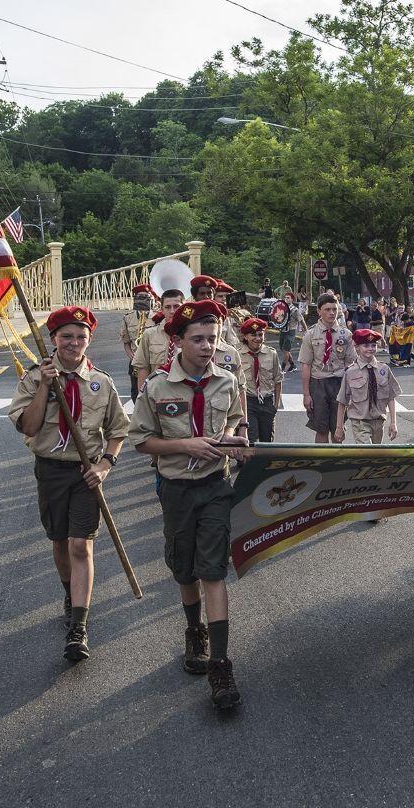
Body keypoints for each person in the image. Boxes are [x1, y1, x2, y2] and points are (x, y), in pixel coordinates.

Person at [127, 299, 250, 710]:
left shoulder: (227, 382)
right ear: (177, 340)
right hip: (177, 489)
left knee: (212, 570)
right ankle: (193, 631)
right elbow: (142, 440)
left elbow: (232, 419)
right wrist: (186, 444)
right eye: (198, 339)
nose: (207, 347)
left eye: (213, 339)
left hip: (215, 485)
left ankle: (220, 663)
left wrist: (231, 440)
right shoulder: (156, 388)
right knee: (184, 567)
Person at [7, 306, 130, 661]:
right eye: (66, 337)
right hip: (50, 470)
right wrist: (46, 385)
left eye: (81, 336)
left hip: (85, 473)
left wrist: (105, 466)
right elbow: (29, 427)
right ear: (53, 340)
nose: (74, 343)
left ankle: (79, 626)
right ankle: (68, 591)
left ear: (89, 339)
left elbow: (118, 431)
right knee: (60, 543)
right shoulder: (34, 378)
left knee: (81, 545)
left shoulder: (101, 382)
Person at [299, 293, 357, 443]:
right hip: (318, 383)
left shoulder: (346, 335)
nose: (332, 313)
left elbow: (351, 364)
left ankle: (335, 463)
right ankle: (320, 462)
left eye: (334, 309)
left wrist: (351, 389)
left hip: (340, 382)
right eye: (327, 309)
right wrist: (306, 394)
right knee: (321, 429)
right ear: (319, 311)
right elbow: (306, 365)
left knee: (338, 430)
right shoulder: (310, 335)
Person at [334, 329, 401, 444]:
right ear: (357, 347)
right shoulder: (350, 372)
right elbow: (342, 401)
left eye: (373, 345)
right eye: (366, 345)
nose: (370, 348)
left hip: (378, 421)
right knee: (366, 450)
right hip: (359, 421)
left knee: (375, 454)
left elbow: (391, 397)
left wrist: (393, 423)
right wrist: (339, 427)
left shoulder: (384, 369)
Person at [239, 317, 283, 443]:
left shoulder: (271, 354)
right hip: (248, 402)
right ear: (246, 336)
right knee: (250, 438)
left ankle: (264, 463)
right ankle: (247, 463)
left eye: (260, 334)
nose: (258, 338)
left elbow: (278, 379)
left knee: (267, 441)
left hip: (267, 401)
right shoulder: (238, 354)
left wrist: (276, 404)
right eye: (253, 335)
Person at [133, 289, 186, 392]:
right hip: (158, 391)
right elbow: (143, 368)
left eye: (177, 306)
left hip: (185, 390)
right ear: (162, 309)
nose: (172, 311)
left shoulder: (191, 334)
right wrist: (142, 397)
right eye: (167, 307)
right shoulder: (149, 334)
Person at [120, 283, 158, 402]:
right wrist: (130, 354)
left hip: (153, 358)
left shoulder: (158, 317)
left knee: (154, 389)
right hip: (136, 360)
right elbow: (126, 341)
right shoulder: (128, 317)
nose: (143, 300)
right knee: (136, 392)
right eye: (140, 297)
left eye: (146, 297)